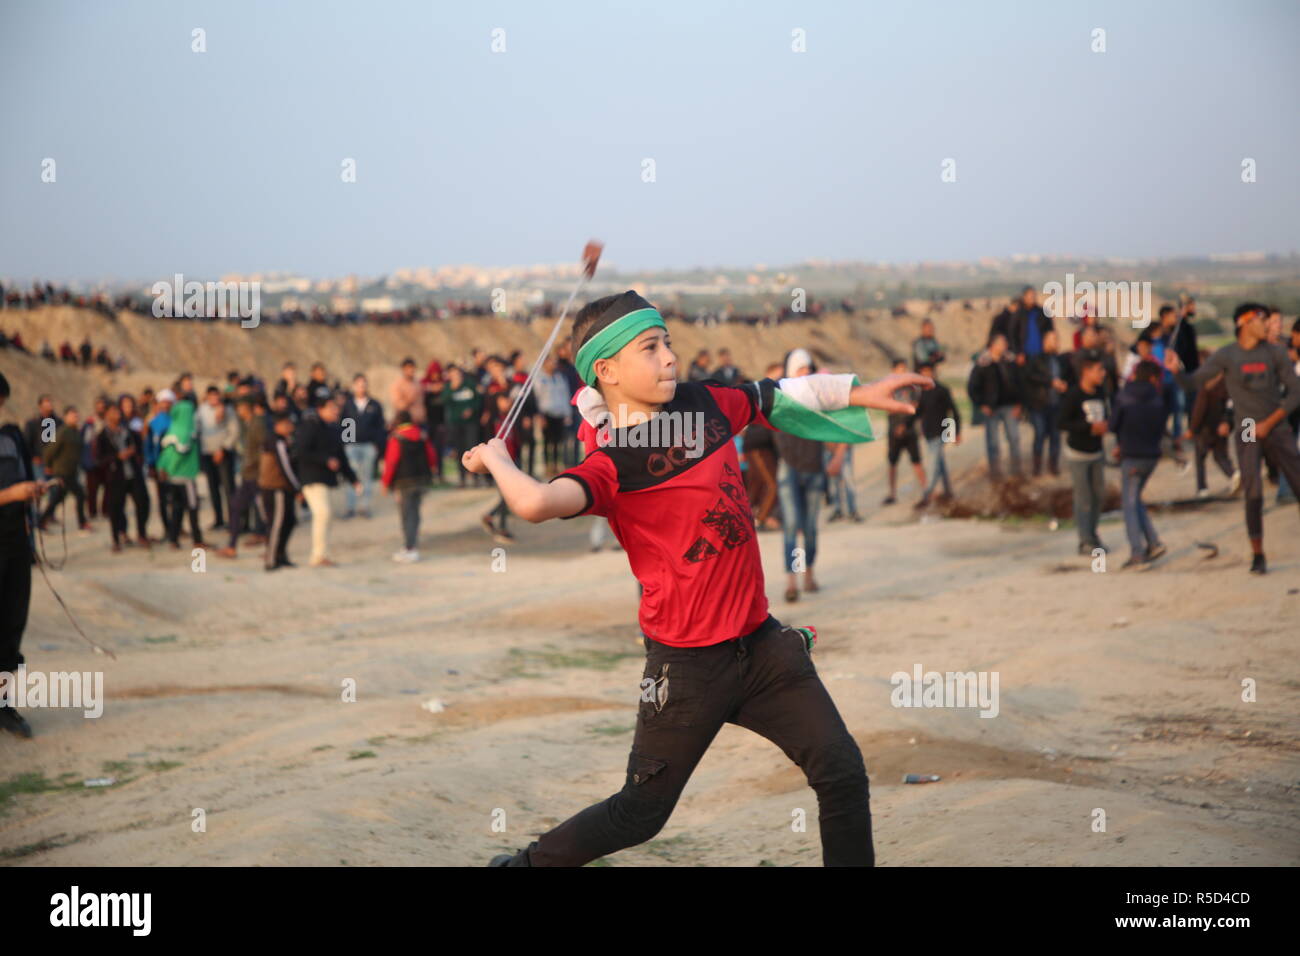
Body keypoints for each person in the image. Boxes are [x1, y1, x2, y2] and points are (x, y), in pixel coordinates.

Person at [467, 290, 927, 868]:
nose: (669, 358)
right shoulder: (614, 460)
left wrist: (864, 393)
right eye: (650, 348)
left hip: (763, 648)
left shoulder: (704, 404)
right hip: (683, 667)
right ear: (606, 370)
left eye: (668, 344)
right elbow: (535, 502)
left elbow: (776, 395)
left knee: (840, 769)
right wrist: (499, 460)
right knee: (640, 813)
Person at [1165, 302, 1300, 574]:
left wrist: (1271, 422)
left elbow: (1296, 393)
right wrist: (1176, 370)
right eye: (1263, 320)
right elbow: (1194, 382)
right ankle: (1258, 555)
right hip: (1248, 425)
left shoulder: (1275, 353)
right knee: (1253, 492)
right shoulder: (1226, 355)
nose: (1270, 325)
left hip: (1276, 421)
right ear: (1244, 323)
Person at [0, 371, 42, 737]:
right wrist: (9, 495)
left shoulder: (13, 437)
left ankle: (3, 705)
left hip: (15, 544)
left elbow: (24, 477)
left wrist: (32, 491)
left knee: (12, 625)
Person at [773, 349, 828, 603]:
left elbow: (834, 425)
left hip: (814, 467)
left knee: (810, 529)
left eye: (808, 367)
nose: (805, 372)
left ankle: (809, 575)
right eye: (800, 368)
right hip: (789, 468)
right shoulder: (781, 397)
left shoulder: (820, 396)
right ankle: (792, 582)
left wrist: (836, 456)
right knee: (792, 526)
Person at [1109, 360, 1168, 570]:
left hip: (1132, 457)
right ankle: (1153, 542)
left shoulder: (1125, 395)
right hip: (1152, 457)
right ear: (1153, 378)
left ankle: (1138, 553)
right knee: (1134, 501)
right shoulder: (1158, 398)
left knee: (1129, 505)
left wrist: (1121, 443)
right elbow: (1162, 428)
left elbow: (1113, 424)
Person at [293, 396, 360, 568]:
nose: (336, 411)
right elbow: (300, 451)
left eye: (336, 408)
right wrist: (325, 459)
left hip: (326, 480)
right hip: (311, 478)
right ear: (320, 409)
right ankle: (317, 556)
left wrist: (354, 480)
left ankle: (322, 554)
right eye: (332, 407)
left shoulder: (335, 429)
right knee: (323, 513)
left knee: (326, 516)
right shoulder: (310, 426)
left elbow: (341, 458)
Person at [1058, 355, 1111, 555]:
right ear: (1086, 372)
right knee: (1084, 498)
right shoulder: (1073, 395)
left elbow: (1106, 415)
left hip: (1096, 452)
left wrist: (1106, 426)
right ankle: (1085, 540)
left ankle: (1093, 534)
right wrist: (1088, 428)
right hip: (1078, 454)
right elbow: (1061, 422)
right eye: (1099, 370)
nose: (1103, 374)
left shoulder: (1101, 393)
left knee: (1098, 496)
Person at [217, 395, 268, 559]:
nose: (238, 411)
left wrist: (254, 465)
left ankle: (272, 548)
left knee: (265, 513)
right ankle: (232, 546)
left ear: (248, 408)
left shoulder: (257, 424)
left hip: (257, 476)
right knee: (235, 507)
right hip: (249, 476)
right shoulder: (248, 424)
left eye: (240, 408)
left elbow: (265, 450)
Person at [381, 410, 436, 562]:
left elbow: (391, 462)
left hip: (403, 482)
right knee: (415, 512)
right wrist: (432, 469)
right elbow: (431, 455)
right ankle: (413, 544)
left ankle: (409, 548)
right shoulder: (422, 435)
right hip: (421, 480)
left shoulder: (396, 438)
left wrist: (385, 483)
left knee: (406, 514)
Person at [968, 332, 1024, 480]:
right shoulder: (983, 363)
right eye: (1001, 343)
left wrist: (1019, 403)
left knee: (1014, 438)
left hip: (1010, 405)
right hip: (991, 408)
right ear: (992, 345)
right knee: (992, 442)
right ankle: (995, 473)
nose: (1004, 345)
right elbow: (972, 387)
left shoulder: (1010, 361)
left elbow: (1019, 382)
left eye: (1005, 342)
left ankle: (1016, 471)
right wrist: (981, 404)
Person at [94, 403, 142, 552]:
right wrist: (117, 457)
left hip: (132, 474)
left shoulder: (128, 432)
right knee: (116, 508)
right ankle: (117, 538)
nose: (117, 415)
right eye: (113, 412)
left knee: (142, 503)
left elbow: (139, 448)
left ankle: (141, 534)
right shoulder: (102, 435)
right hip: (115, 476)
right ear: (107, 415)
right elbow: (99, 459)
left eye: (118, 412)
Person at [157, 397, 204, 549]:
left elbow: (165, 454)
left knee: (176, 508)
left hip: (172, 477)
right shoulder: (187, 432)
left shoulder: (172, 429)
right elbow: (180, 453)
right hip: (186, 476)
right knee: (192, 507)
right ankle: (197, 540)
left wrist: (163, 468)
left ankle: (173, 539)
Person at [1023, 329, 1070, 476]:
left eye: (1056, 339)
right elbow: (1030, 377)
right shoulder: (1035, 358)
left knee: (1055, 436)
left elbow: (1067, 377)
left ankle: (1053, 466)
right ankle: (1036, 467)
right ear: (1044, 342)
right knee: (1040, 434)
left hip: (1056, 404)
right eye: (1051, 339)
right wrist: (1051, 382)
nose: (1054, 342)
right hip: (1039, 404)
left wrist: (1064, 385)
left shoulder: (1060, 360)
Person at [915, 361, 961, 507]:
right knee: (939, 462)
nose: (926, 374)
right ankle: (948, 492)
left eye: (928, 371)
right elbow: (918, 413)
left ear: (933, 373)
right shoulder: (922, 392)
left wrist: (955, 432)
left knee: (933, 464)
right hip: (928, 432)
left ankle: (927, 495)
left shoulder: (942, 390)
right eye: (923, 372)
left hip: (941, 432)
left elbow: (953, 411)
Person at [259, 413, 302, 571]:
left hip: (283, 488)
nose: (291, 427)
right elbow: (285, 467)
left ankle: (281, 555)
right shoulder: (276, 441)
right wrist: (297, 488)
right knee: (277, 524)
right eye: (288, 424)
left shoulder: (285, 440)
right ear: (279, 425)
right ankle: (270, 560)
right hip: (275, 488)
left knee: (289, 522)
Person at [1185, 369, 1237, 498]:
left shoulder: (1206, 389)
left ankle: (1202, 488)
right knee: (1220, 456)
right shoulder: (1229, 387)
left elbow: (1199, 411)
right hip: (1221, 428)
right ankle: (1234, 474)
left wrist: (1192, 429)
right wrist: (1227, 423)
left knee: (1200, 459)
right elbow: (1231, 408)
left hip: (1205, 430)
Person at [38, 407, 89, 532]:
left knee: (58, 498)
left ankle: (41, 521)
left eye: (76, 416)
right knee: (80, 494)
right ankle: (82, 523)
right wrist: (48, 466)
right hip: (62, 471)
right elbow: (50, 450)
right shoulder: (62, 432)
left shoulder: (76, 432)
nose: (75, 418)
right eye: (72, 415)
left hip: (72, 470)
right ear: (66, 417)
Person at [341, 374, 385, 518]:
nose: (361, 387)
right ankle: (350, 506)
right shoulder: (348, 405)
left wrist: (378, 445)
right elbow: (344, 424)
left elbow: (380, 427)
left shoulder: (374, 405)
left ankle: (364, 506)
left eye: (364, 384)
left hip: (368, 445)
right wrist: (346, 443)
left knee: (366, 476)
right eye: (359, 384)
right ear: (354, 386)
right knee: (351, 475)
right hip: (352, 445)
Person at [197, 386, 238, 530]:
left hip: (224, 453)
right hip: (208, 453)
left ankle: (233, 520)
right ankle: (218, 519)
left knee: (229, 488)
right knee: (213, 488)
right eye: (211, 396)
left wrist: (223, 448)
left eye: (216, 395)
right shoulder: (201, 410)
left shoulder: (228, 410)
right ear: (207, 397)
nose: (214, 398)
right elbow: (198, 429)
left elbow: (234, 431)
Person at [438, 365, 483, 487]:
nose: (455, 376)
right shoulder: (448, 387)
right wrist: (453, 388)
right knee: (459, 449)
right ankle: (462, 478)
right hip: (455, 423)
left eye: (457, 373)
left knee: (472, 447)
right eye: (452, 374)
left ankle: (475, 477)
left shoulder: (469, 384)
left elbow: (478, 399)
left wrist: (472, 409)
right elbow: (443, 400)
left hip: (470, 423)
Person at [117, 394, 151, 545]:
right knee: (119, 504)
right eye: (125, 404)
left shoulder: (137, 421)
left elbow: (142, 442)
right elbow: (47, 441)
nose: (128, 407)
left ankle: (141, 533)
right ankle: (122, 532)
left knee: (143, 501)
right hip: (119, 470)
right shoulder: (116, 423)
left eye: (130, 404)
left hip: (136, 468)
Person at [390, 357, 426, 427]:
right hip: (407, 424)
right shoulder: (398, 385)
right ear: (403, 369)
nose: (411, 370)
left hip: (420, 422)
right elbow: (399, 405)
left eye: (413, 367)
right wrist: (410, 399)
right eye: (409, 368)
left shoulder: (418, 383)